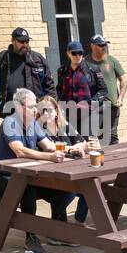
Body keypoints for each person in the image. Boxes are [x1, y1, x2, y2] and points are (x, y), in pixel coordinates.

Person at [0, 88, 84, 253]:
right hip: (3, 178)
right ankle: (31, 236)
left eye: (36, 107)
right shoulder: (10, 123)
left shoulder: (33, 124)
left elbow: (49, 146)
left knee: (63, 190)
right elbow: (19, 150)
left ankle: (57, 232)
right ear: (18, 106)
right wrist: (49, 157)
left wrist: (73, 149)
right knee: (28, 188)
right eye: (32, 107)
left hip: (26, 176)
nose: (36, 111)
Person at [38, 94, 100, 226]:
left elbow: (83, 142)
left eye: (49, 110)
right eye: (42, 110)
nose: (46, 113)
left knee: (94, 182)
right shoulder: (39, 130)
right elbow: (49, 149)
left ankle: (79, 219)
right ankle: (58, 228)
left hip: (70, 170)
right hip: (50, 173)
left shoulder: (64, 126)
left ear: (56, 112)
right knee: (71, 190)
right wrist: (73, 148)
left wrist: (81, 146)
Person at [0, 28, 51, 120]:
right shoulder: (2, 59)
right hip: (11, 111)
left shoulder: (37, 59)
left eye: (27, 41)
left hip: (35, 111)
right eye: (21, 42)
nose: (25, 45)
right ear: (13, 41)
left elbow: (49, 85)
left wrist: (49, 107)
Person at [55, 41, 108, 143]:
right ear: (68, 54)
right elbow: (59, 89)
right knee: (72, 145)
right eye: (74, 53)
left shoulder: (92, 69)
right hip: (69, 115)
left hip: (88, 114)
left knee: (89, 144)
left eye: (80, 53)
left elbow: (103, 89)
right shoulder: (62, 70)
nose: (77, 56)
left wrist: (92, 103)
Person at [88, 34, 126, 145]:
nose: (104, 47)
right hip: (95, 106)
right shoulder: (86, 62)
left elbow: (123, 80)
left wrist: (120, 98)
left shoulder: (112, 60)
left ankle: (116, 161)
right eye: (100, 45)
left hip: (113, 105)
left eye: (105, 44)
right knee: (96, 137)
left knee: (113, 136)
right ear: (93, 46)